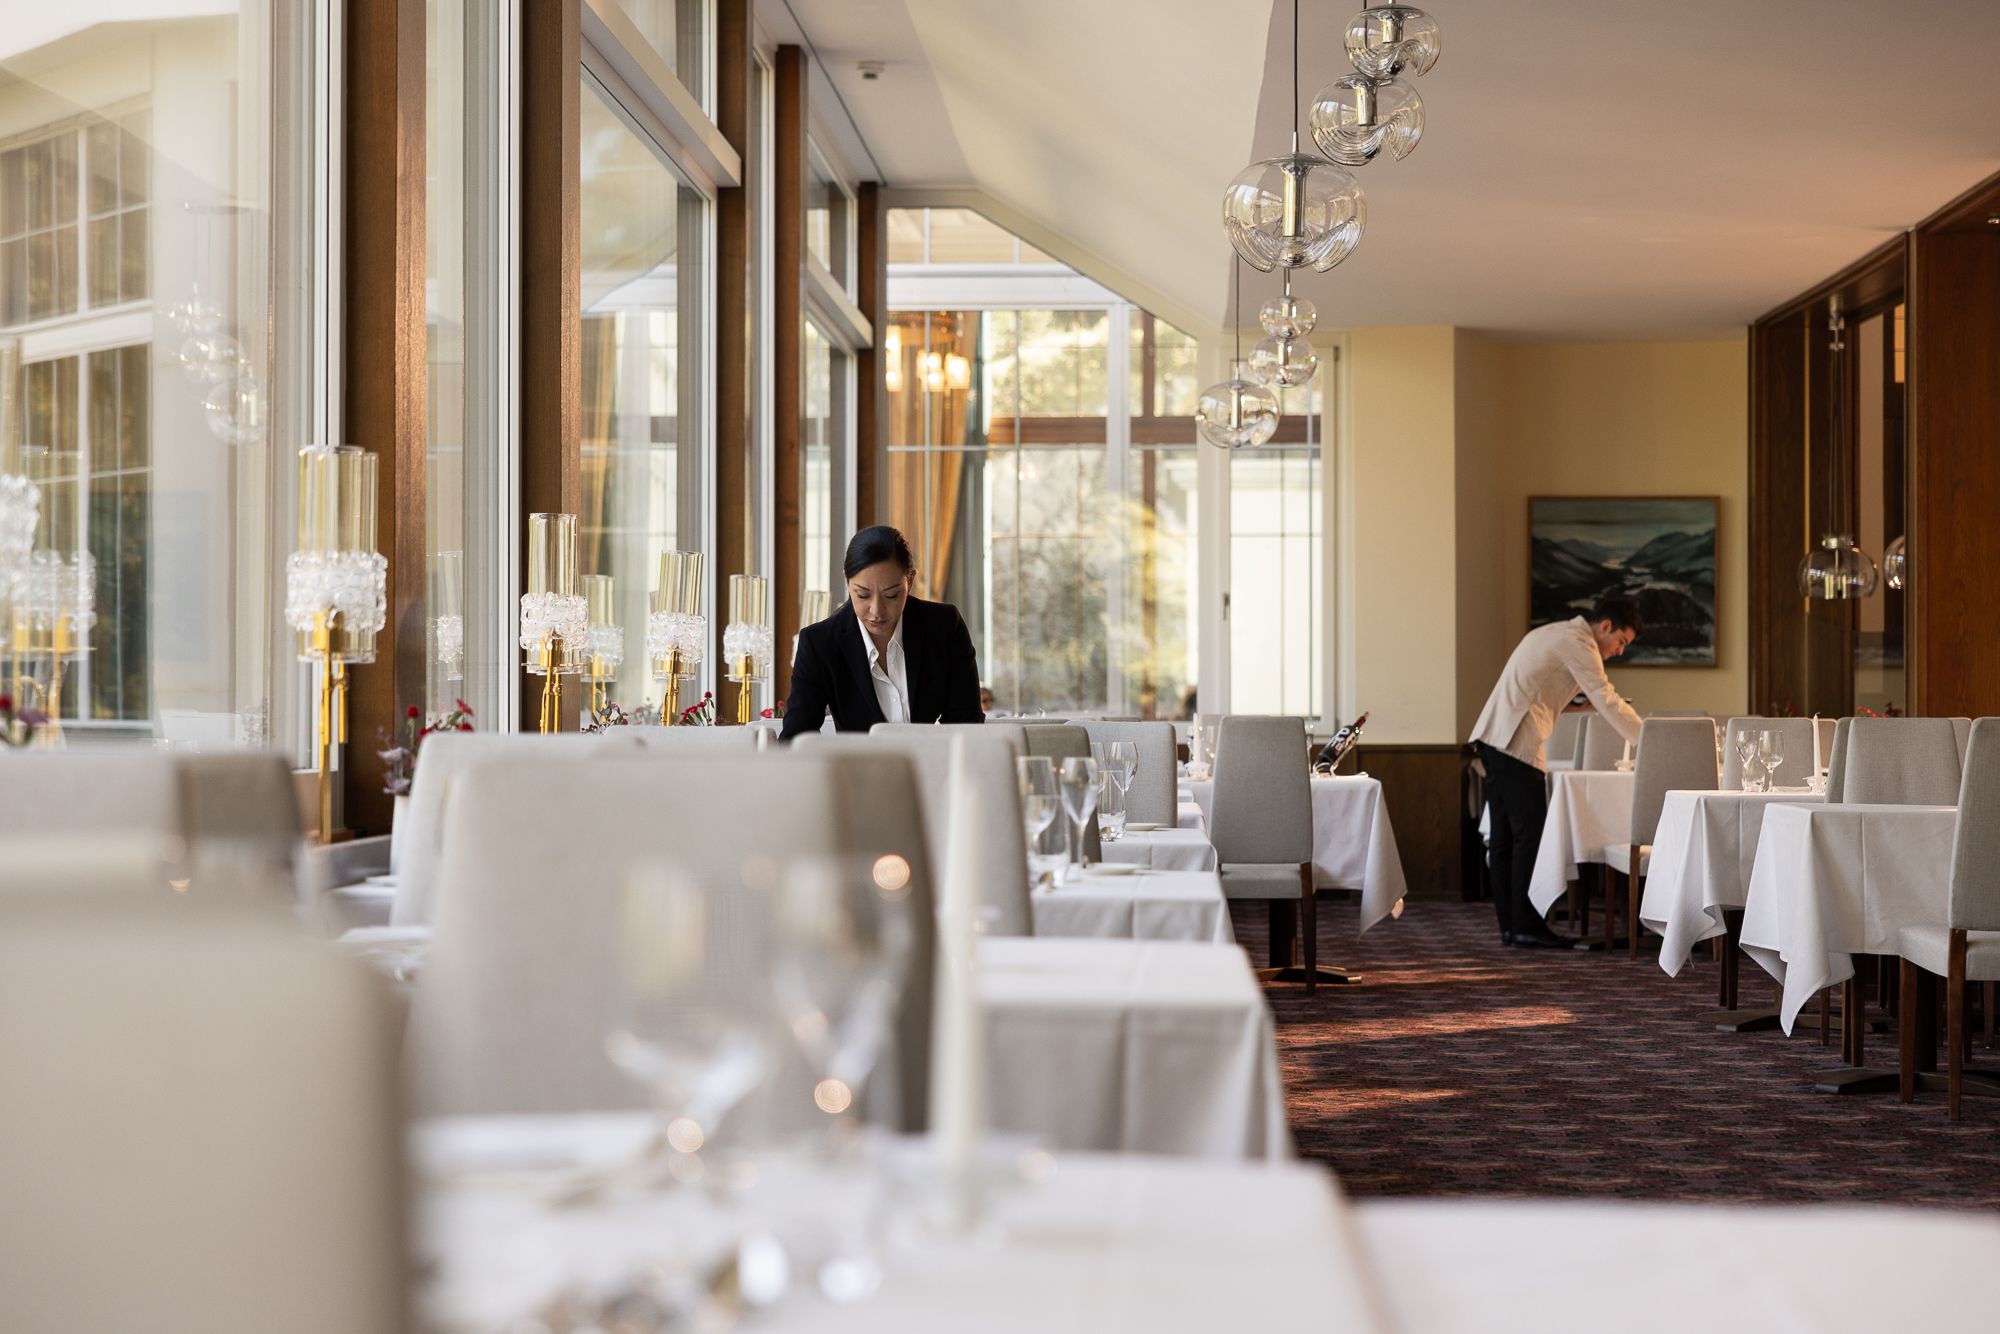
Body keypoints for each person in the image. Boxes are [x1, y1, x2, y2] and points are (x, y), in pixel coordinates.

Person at [1468, 597, 1644, 949]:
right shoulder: (1579, 643)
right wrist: (1650, 741)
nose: (1620, 651)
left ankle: (1513, 927)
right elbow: (1605, 698)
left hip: (1494, 737)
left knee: (1505, 840)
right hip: (1515, 742)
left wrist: (1579, 701)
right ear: (1605, 626)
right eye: (1621, 642)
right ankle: (1527, 926)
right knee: (1529, 837)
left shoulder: (1556, 632)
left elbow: (1552, 686)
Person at [780, 525, 985, 738]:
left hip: (934, 767)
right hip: (855, 770)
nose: (876, 611)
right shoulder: (820, 643)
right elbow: (795, 738)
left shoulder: (943, 627)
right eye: (862, 595)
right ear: (847, 582)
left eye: (892, 595)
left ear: (910, 580)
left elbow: (966, 723)